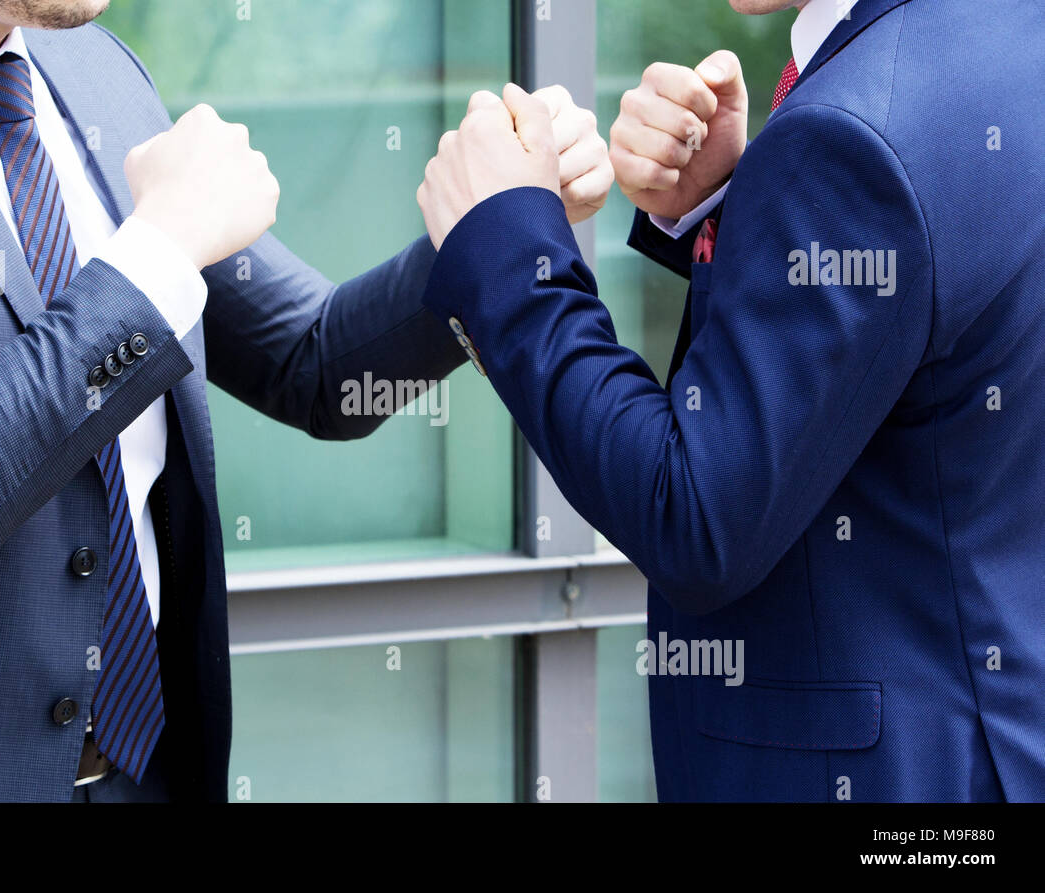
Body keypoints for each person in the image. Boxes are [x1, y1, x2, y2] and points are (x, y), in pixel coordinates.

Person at [0, 0, 612, 802]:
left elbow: (315, 364)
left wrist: (496, 232)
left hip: (149, 772)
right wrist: (160, 249)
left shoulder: (92, 70)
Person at [417, 0, 1045, 800]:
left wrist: (505, 250)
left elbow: (693, 516)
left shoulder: (854, 132)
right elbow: (932, 323)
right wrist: (734, 207)